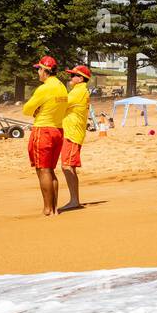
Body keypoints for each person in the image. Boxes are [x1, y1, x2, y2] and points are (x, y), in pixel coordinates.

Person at [22, 56, 68, 216]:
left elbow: (26, 109)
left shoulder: (45, 88)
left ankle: (48, 209)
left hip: (43, 130)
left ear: (44, 71)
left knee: (43, 170)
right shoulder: (62, 86)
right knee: (50, 170)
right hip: (58, 130)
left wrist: (36, 110)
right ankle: (54, 207)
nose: (37, 73)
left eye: (38, 70)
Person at [58, 65, 92, 212]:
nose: (70, 78)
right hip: (71, 132)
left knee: (67, 166)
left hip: (73, 134)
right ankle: (74, 199)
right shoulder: (79, 91)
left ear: (81, 78)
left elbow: (61, 103)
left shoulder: (79, 91)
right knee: (68, 166)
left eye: (73, 75)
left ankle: (74, 200)